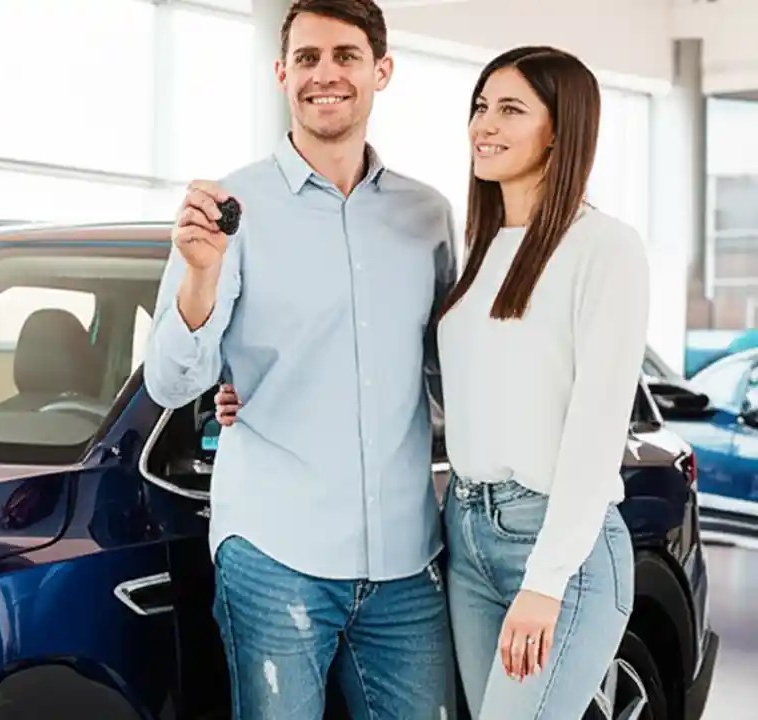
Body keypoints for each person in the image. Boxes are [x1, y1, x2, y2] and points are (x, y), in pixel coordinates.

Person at [215, 46, 648, 718]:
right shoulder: (480, 248)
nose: (484, 125)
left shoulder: (606, 248)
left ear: (561, 128)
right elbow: (433, 378)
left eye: (510, 109)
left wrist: (547, 580)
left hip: (560, 545)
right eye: (480, 107)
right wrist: (261, 387)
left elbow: (596, 431)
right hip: (466, 535)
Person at [142, 0, 457, 718]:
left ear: (381, 70)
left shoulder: (428, 216)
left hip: (408, 559)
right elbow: (170, 381)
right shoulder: (231, 209)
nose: (326, 75)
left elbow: (450, 376)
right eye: (307, 58)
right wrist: (199, 274)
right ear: (282, 73)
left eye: (346, 56)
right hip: (275, 552)